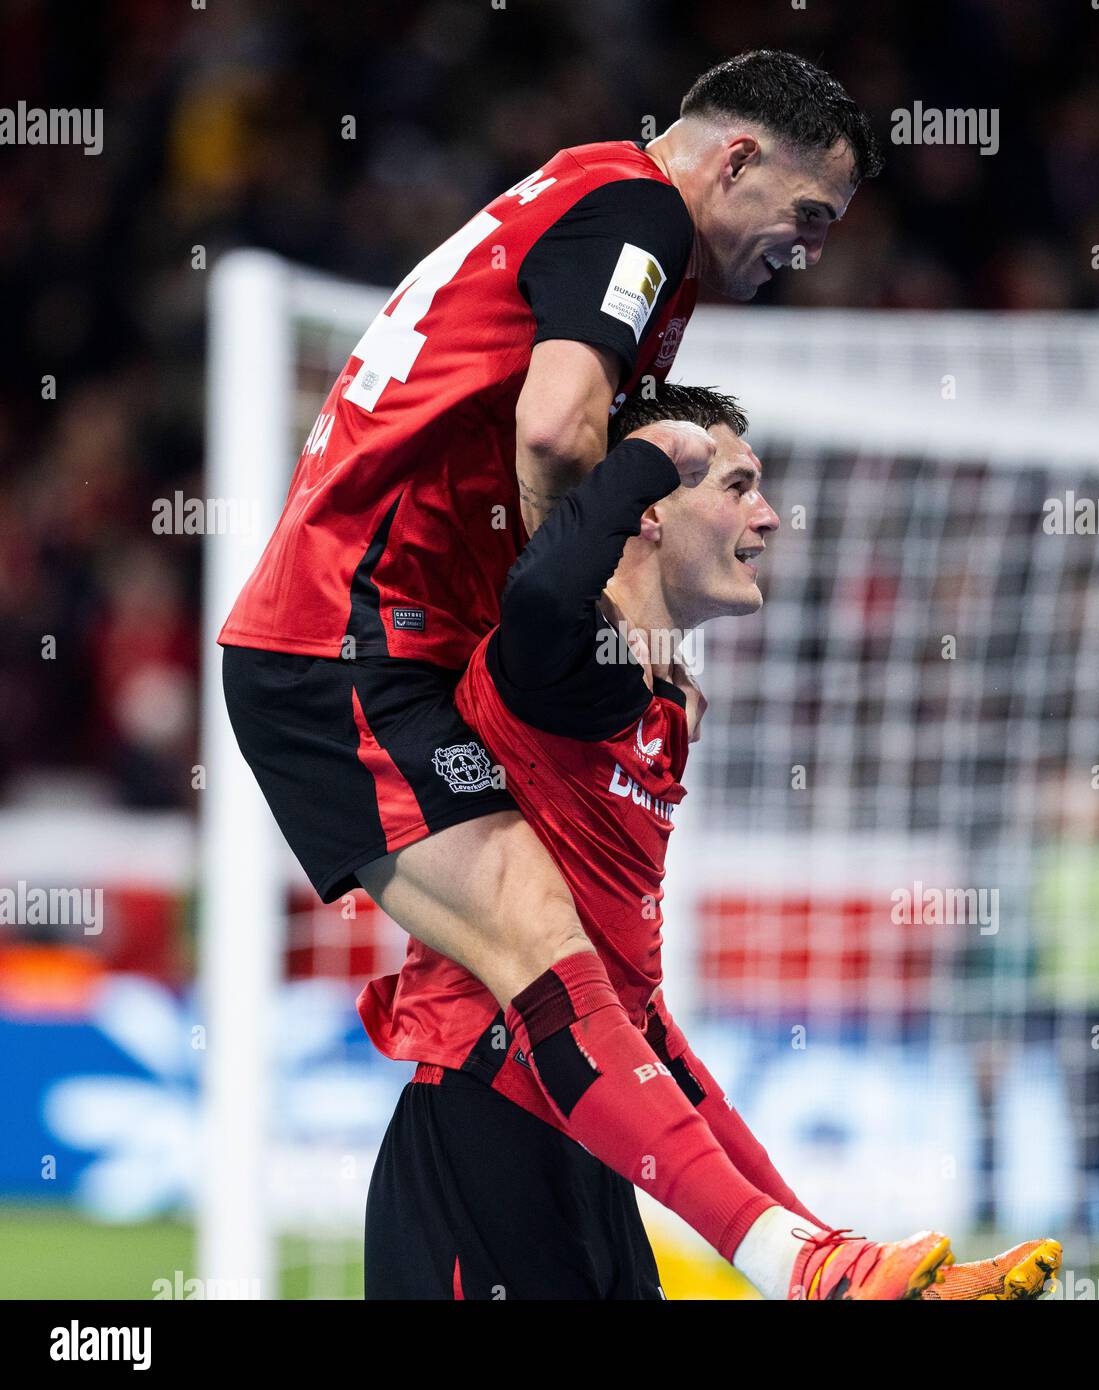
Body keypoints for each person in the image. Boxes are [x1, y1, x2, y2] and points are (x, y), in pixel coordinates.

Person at [221, 50, 882, 1279]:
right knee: (543, 946)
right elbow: (555, 425)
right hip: (349, 636)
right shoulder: (637, 209)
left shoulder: (589, 208)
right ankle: (795, 1267)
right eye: (807, 214)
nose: (810, 250)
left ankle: (804, 1253)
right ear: (734, 158)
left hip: (377, 634)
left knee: (582, 979)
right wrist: (570, 615)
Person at [362, 382, 1058, 1300]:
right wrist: (641, 459)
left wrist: (832, 1255)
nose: (768, 517)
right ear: (649, 510)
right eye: (736, 486)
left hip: (595, 1135)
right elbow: (539, 593)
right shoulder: (566, 662)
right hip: (482, 1138)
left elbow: (636, 1013)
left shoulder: (668, 701)